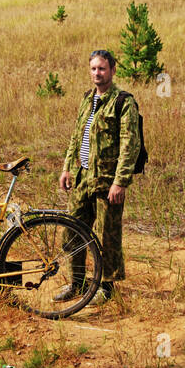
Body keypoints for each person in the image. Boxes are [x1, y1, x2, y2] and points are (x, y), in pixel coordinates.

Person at [56, 48, 142, 302]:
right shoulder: (87, 98)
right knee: (73, 230)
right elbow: (76, 135)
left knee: (107, 236)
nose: (97, 73)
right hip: (82, 178)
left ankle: (106, 287)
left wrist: (120, 181)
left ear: (113, 70)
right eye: (93, 68)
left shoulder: (123, 102)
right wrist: (66, 167)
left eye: (102, 68)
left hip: (107, 182)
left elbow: (130, 144)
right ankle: (77, 283)